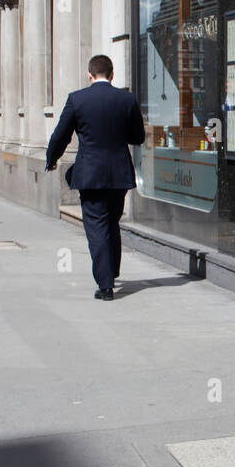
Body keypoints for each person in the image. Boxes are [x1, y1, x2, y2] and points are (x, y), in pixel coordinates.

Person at [45, 54, 146, 300]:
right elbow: (138, 137)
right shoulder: (126, 99)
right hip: (119, 174)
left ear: (90, 75)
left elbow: (61, 135)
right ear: (112, 75)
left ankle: (106, 284)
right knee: (112, 222)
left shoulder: (77, 99)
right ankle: (111, 271)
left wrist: (52, 158)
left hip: (90, 174)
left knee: (97, 226)